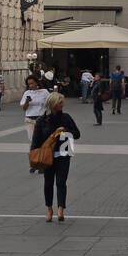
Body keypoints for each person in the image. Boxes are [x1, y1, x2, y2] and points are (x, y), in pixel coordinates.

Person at [30, 92, 81, 222]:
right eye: (60, 102)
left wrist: (65, 130)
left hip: (64, 153)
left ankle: (60, 209)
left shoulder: (66, 117)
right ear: (53, 105)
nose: (62, 104)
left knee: (61, 182)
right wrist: (34, 156)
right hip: (48, 156)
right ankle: (49, 209)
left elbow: (77, 134)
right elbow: (36, 140)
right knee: (48, 183)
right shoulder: (42, 120)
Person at [21, 75, 50, 144]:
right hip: (30, 120)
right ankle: (34, 154)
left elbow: (51, 102)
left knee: (43, 140)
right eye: (29, 84)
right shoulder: (27, 93)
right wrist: (27, 101)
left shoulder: (44, 92)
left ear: (36, 82)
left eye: (32, 83)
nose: (30, 86)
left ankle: (42, 154)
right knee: (32, 141)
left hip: (42, 119)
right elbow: (24, 109)